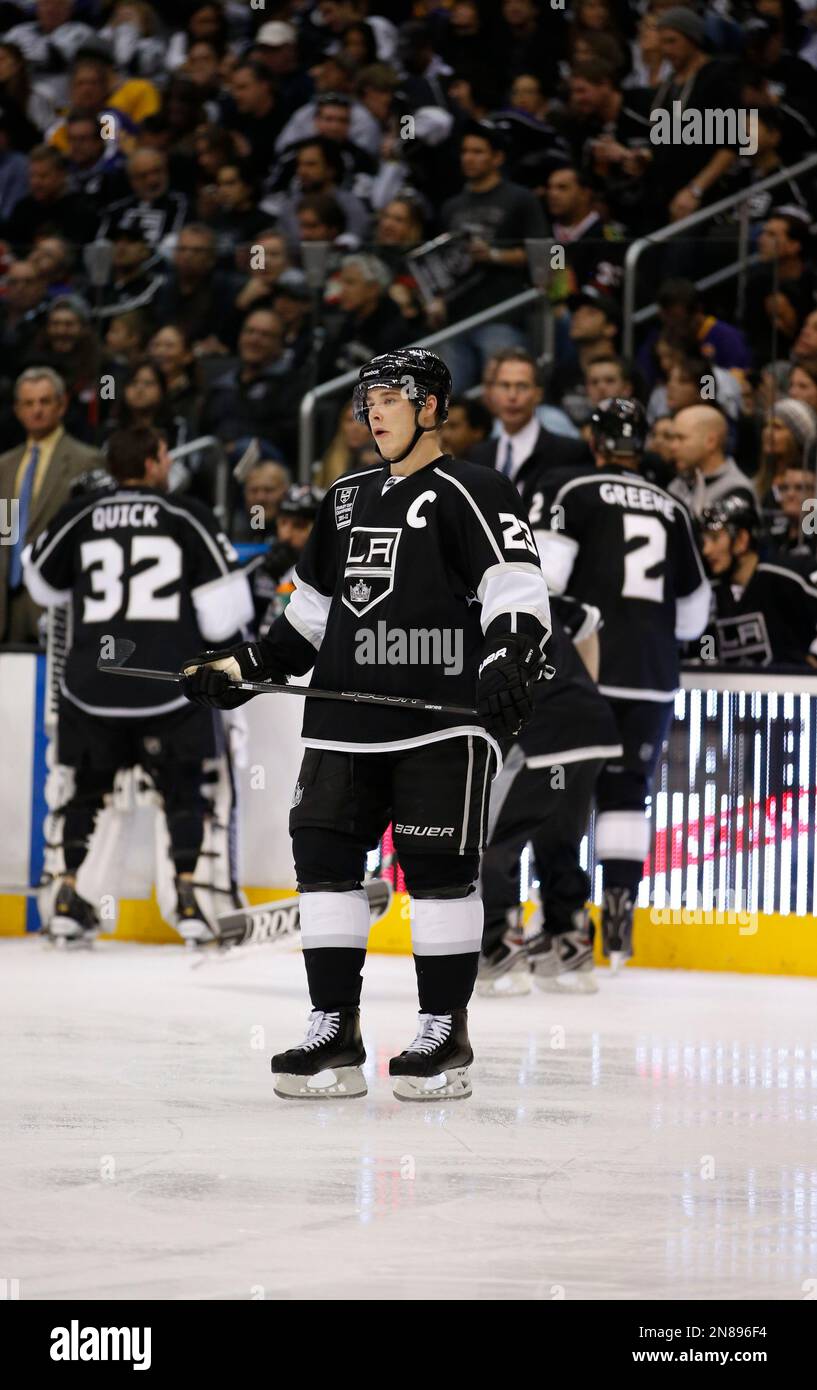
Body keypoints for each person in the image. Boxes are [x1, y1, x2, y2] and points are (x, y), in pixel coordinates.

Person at [181, 348, 551, 1102]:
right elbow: (307, 621)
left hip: (439, 722)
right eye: (366, 399)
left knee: (440, 874)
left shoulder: (474, 490)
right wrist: (245, 668)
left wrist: (508, 655)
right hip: (343, 719)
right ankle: (334, 1028)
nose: (372, 410)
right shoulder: (344, 497)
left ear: (430, 406)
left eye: (388, 396)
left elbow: (514, 586)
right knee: (322, 860)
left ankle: (443, 1032)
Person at [22, 424, 254, 943]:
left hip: (91, 684)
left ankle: (67, 896)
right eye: (164, 454)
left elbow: (38, 581)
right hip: (166, 683)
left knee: (85, 792)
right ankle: (192, 904)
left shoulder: (82, 513)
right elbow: (223, 617)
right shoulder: (185, 514)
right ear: (152, 462)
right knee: (185, 793)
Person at [537, 398, 711, 968]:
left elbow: (544, 585)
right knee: (626, 795)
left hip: (587, 671)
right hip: (653, 675)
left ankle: (563, 928)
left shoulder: (571, 490)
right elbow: (692, 614)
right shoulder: (673, 507)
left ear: (595, 440)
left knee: (561, 793)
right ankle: (618, 923)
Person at [477, 595, 622, 996]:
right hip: (591, 729)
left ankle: (500, 953)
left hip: (544, 735)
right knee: (558, 841)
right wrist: (581, 692)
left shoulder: (475, 597)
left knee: (492, 841)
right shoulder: (532, 587)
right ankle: (568, 949)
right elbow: (591, 619)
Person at [0, 367, 101, 644]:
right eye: (29, 403)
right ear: (17, 410)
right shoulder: (5, 465)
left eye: (45, 401)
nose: (37, 410)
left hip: (56, 595)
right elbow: (5, 531)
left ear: (62, 405)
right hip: (7, 602)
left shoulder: (87, 460)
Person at [699, 495, 817, 668]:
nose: (706, 550)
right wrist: (707, 662)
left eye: (715, 538)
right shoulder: (710, 594)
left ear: (741, 540)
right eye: (705, 540)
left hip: (793, 692)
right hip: (733, 693)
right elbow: (704, 647)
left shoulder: (788, 577)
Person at [467, 348, 592, 503]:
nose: (512, 396)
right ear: (491, 393)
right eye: (505, 385)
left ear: (538, 394)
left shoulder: (570, 453)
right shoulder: (478, 455)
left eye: (522, 386)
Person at [668, 404, 755, 518]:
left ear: (711, 442)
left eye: (681, 438)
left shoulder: (737, 492)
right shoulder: (677, 484)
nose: (672, 446)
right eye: (673, 438)